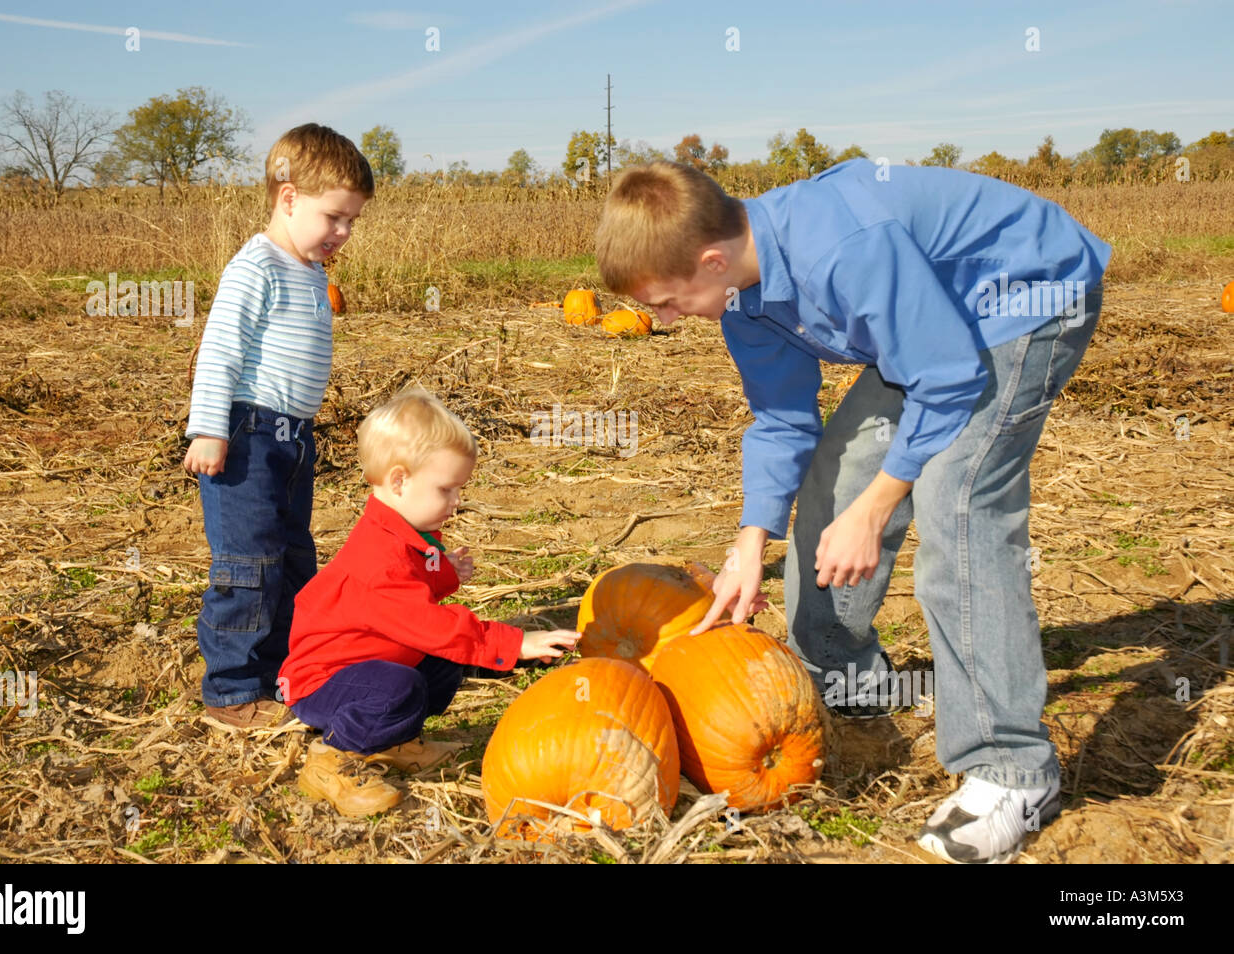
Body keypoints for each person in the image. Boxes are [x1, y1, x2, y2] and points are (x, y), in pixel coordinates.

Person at [594, 157, 1110, 864]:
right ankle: (846, 675)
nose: (665, 320)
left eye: (668, 301)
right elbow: (781, 421)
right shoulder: (744, 296)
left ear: (711, 258)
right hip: (933, 327)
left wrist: (877, 506)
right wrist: (752, 538)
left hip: (1022, 296)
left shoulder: (839, 247)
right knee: (835, 473)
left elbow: (948, 377)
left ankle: (1014, 771)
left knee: (958, 500)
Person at [278, 388, 580, 816]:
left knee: (438, 664)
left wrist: (446, 573)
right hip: (324, 682)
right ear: (399, 480)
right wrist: (514, 645)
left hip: (367, 659)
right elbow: (427, 621)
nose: (457, 502)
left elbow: (416, 575)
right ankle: (334, 759)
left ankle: (392, 741)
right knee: (403, 684)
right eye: (447, 489)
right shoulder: (376, 561)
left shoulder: (401, 531)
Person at [182, 123, 373, 730]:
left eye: (351, 223)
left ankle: (287, 670)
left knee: (292, 556)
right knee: (249, 561)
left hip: (292, 440)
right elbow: (220, 351)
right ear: (289, 199)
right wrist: (208, 428)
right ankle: (233, 689)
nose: (342, 233)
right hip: (246, 435)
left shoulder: (311, 270)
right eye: (334, 218)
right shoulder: (255, 264)